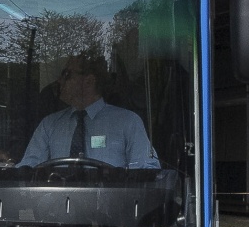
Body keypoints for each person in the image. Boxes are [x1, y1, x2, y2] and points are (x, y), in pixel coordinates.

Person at [17, 53, 159, 170]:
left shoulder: (128, 122)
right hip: (58, 197)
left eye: (67, 74)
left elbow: (146, 171)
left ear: (89, 81)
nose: (59, 81)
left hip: (110, 197)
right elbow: (27, 170)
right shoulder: (49, 125)